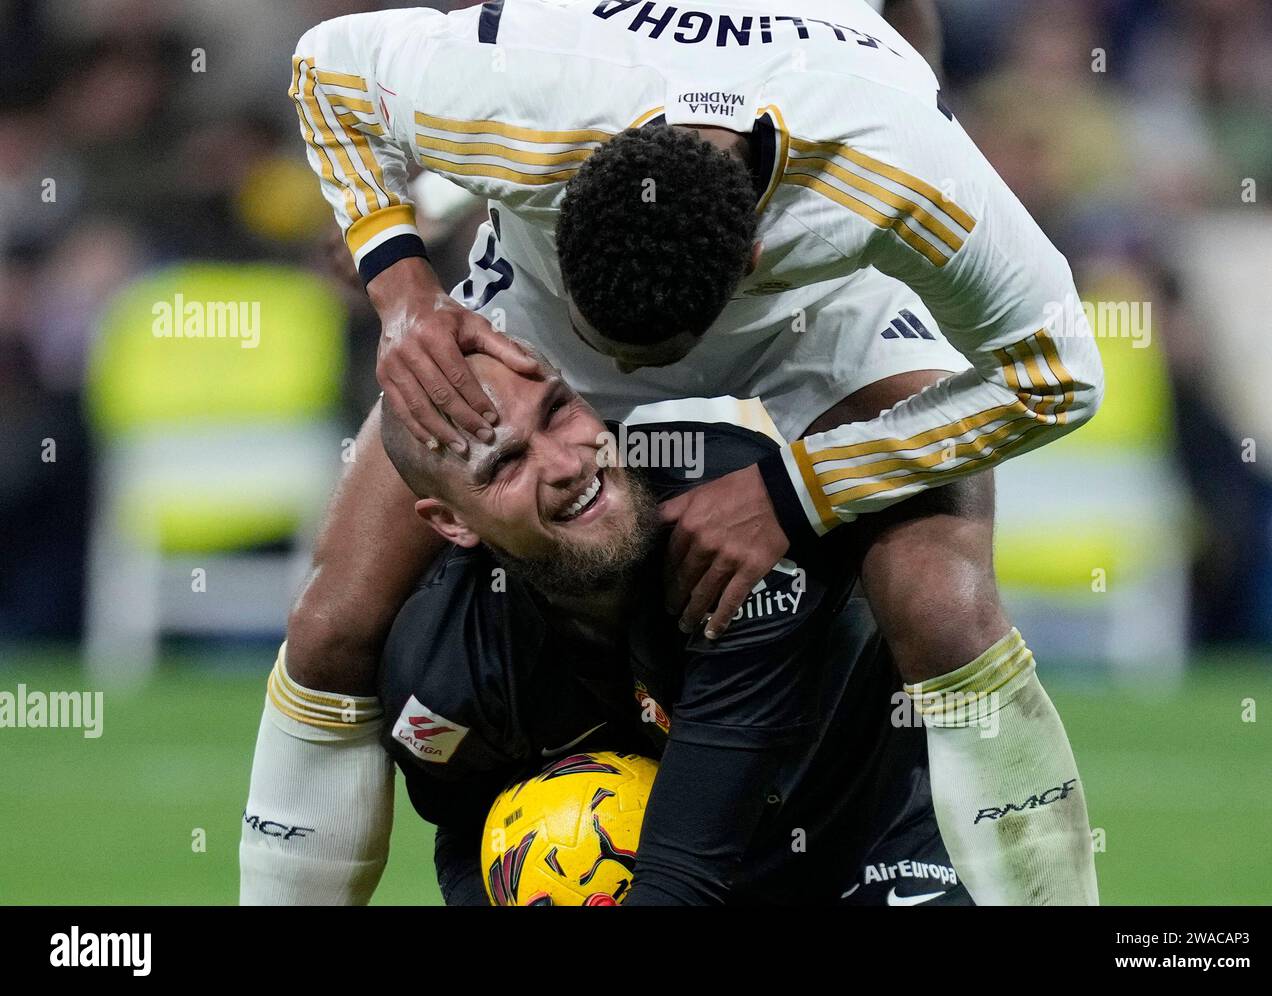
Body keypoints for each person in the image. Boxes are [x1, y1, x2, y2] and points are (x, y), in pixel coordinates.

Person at [240, 0, 1103, 905]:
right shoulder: (521, 96)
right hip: (542, 306)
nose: (619, 380)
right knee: (332, 626)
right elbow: (327, 64)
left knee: (943, 610)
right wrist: (403, 288)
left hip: (830, 308)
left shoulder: (906, 174)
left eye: (642, 363)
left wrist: (798, 491)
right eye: (605, 357)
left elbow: (1060, 378)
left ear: (754, 259)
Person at [376, 347, 976, 905]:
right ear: (452, 522)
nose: (567, 463)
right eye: (507, 461)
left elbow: (683, 877)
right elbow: (466, 832)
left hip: (879, 837)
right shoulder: (438, 675)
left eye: (559, 411)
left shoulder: (738, 529)